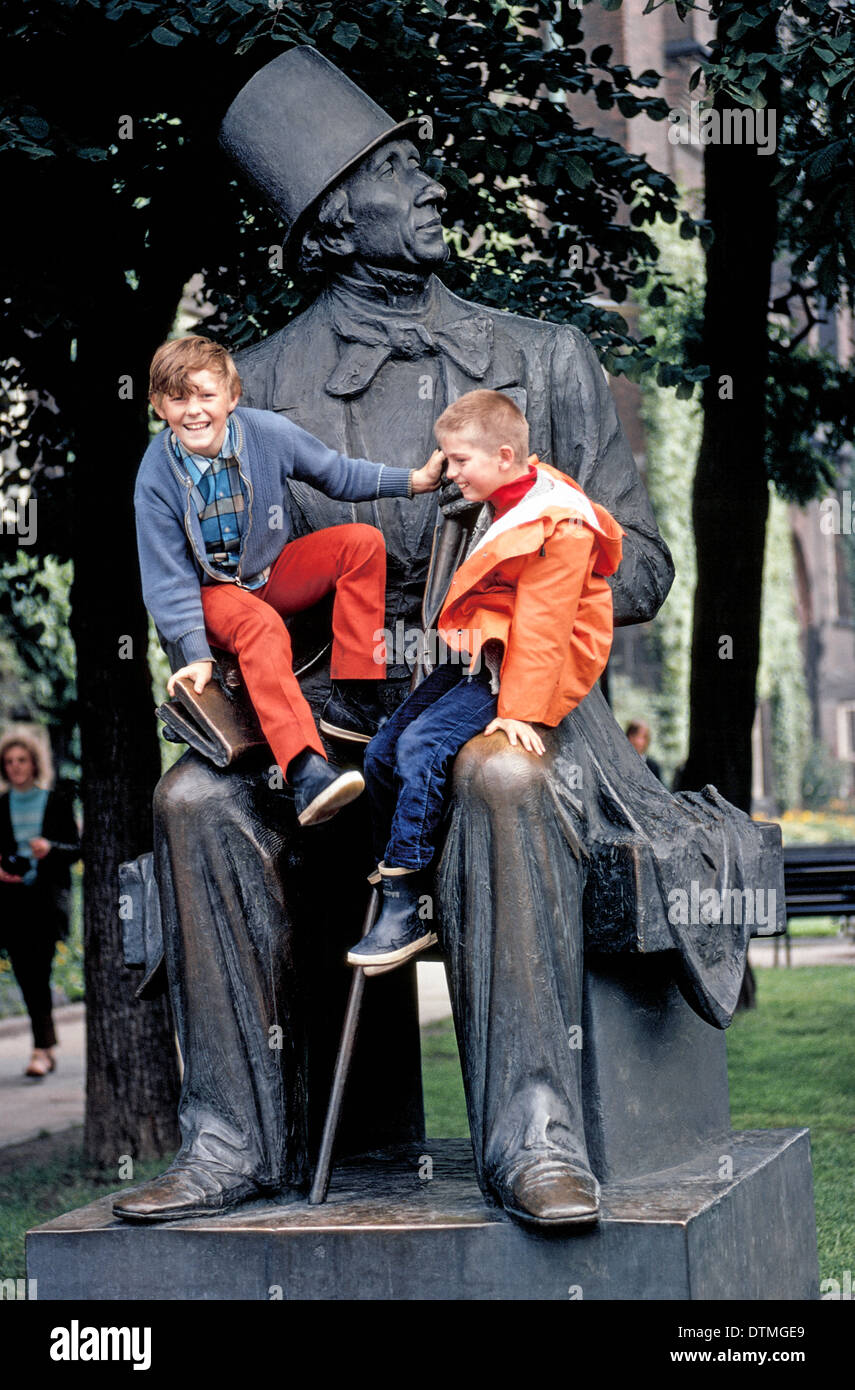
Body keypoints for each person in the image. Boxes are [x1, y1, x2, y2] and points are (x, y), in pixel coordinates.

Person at [113, 50, 779, 1229]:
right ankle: (229, 1143)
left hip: (514, 708)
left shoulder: (546, 357)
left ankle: (533, 1136)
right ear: (328, 225)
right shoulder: (251, 387)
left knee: (502, 774)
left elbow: (649, 561)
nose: (431, 185)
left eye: (421, 161)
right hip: (336, 723)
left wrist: (539, 567)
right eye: (395, 169)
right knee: (193, 801)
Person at [351, 391, 622, 1014]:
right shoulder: (502, 493)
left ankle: (407, 905)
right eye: (446, 460)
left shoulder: (561, 521)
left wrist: (520, 711)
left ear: (505, 455)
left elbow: (547, 626)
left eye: (458, 460)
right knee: (385, 752)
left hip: (519, 666)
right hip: (483, 646)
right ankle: (413, 868)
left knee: (424, 746)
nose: (449, 473)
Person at [135, 335, 443, 826]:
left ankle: (354, 702)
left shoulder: (266, 434)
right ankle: (304, 770)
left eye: (206, 396)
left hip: (270, 572)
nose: (194, 411)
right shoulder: (157, 475)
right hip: (213, 593)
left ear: (232, 397)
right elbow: (166, 577)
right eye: (178, 398)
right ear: (158, 406)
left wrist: (412, 481)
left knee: (361, 543)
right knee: (259, 625)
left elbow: (337, 474)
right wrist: (194, 652)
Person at [0, 728, 80, 1078]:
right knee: (25, 973)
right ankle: (44, 1047)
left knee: (40, 971)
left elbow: (76, 850)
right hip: (11, 900)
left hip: (45, 901)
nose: (16, 767)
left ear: (34, 763)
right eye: (10, 762)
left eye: (22, 760)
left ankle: (40, 1050)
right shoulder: (0, 806)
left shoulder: (55, 802)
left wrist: (49, 849)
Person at [626, 719, 664, 783]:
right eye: (634, 736)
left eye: (643, 737)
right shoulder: (619, 763)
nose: (638, 741)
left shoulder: (653, 767)